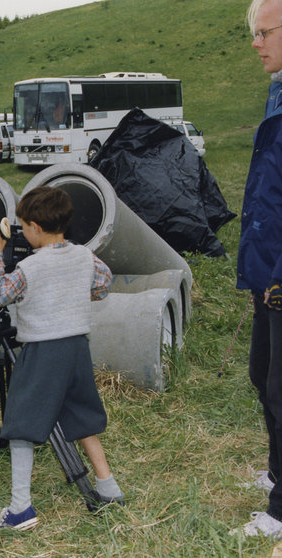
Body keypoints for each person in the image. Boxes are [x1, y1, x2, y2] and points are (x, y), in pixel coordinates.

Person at [0, 186, 123, 530]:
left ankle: (20, 508)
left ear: (35, 228)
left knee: (21, 426)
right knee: (83, 418)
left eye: (23, 227)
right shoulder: (84, 256)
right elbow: (103, 285)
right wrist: (69, 293)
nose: (22, 233)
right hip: (76, 348)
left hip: (43, 350)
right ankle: (109, 488)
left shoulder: (31, 266)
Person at [232, 0, 282, 539]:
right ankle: (277, 472)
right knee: (262, 375)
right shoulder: (278, 89)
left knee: (281, 387)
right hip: (267, 266)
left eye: (264, 31)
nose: (255, 42)